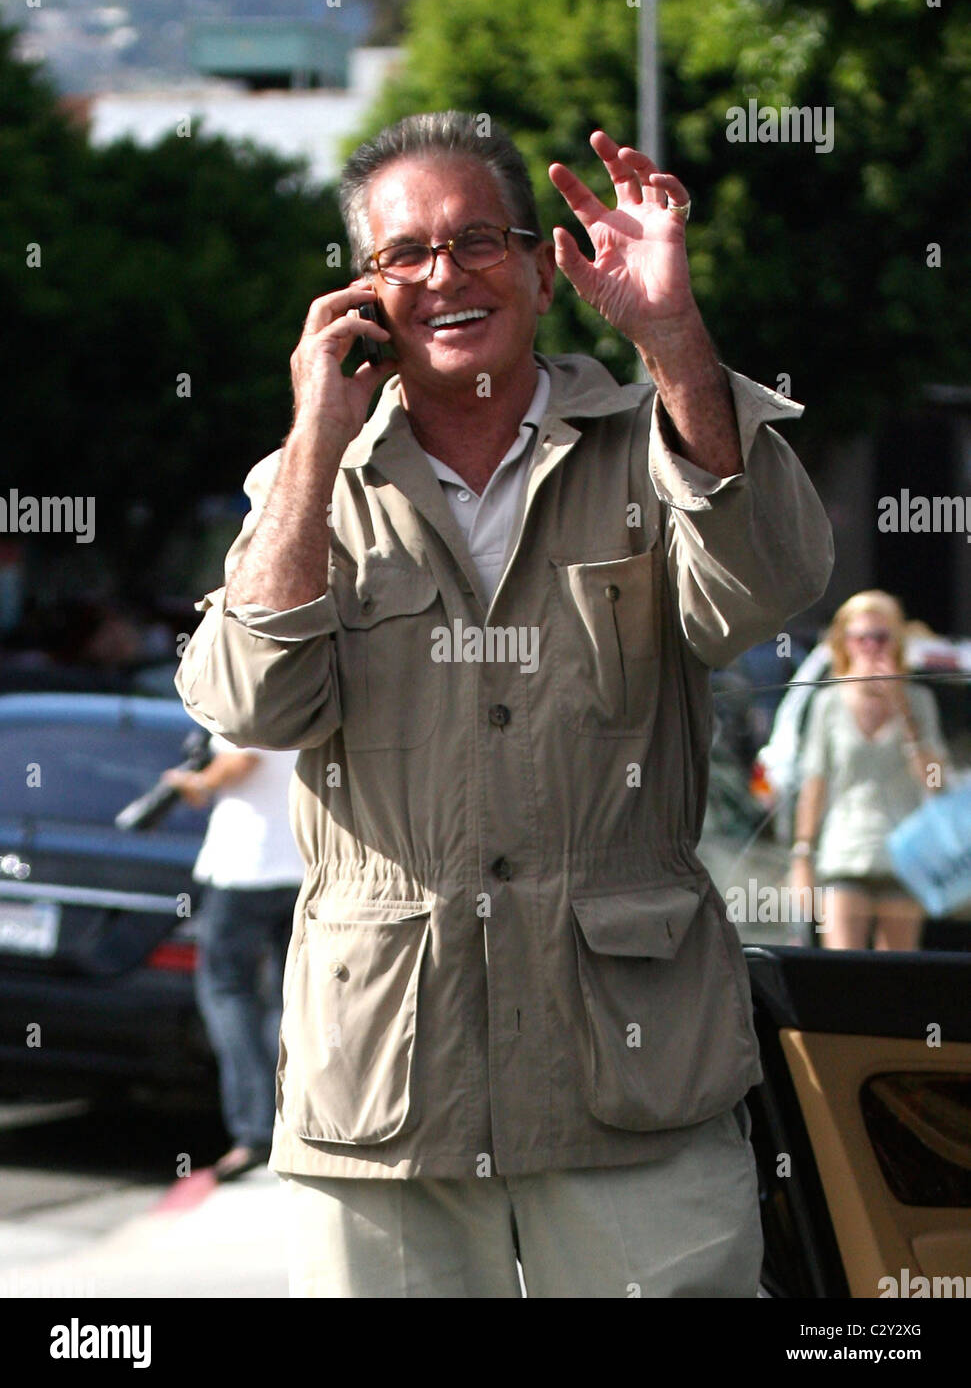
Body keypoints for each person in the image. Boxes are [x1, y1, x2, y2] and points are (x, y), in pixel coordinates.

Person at [175, 112, 833, 1296]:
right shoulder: (309, 483)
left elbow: (759, 594)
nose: (443, 275)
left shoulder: (658, 437)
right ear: (365, 294)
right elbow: (251, 704)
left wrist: (672, 337)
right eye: (404, 254)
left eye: (477, 240)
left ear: (542, 267)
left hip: (635, 1084)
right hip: (388, 1098)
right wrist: (315, 441)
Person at [163, 735, 303, 1180]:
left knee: (227, 993)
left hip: (247, 867)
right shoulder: (321, 675)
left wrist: (197, 783)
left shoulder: (248, 676)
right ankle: (293, 1124)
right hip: (305, 864)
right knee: (291, 1001)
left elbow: (243, 757)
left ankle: (255, 1131)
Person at [791, 591, 948, 951]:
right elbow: (814, 785)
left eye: (880, 637)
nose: (870, 646)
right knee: (843, 974)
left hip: (903, 858)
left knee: (896, 980)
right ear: (845, 643)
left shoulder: (918, 702)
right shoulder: (828, 704)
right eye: (859, 637)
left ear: (897, 642)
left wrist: (902, 710)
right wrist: (802, 857)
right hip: (844, 854)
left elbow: (935, 783)